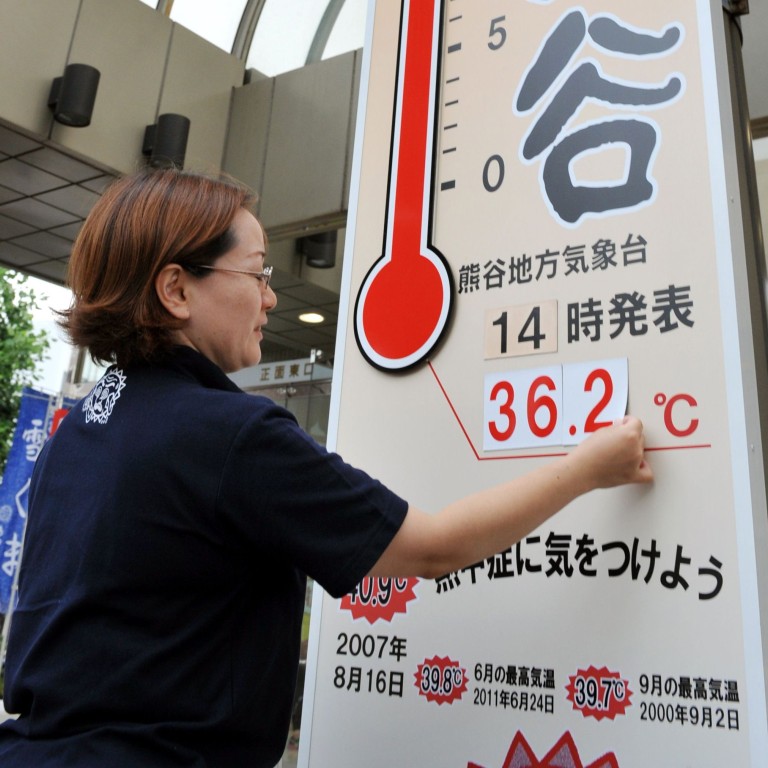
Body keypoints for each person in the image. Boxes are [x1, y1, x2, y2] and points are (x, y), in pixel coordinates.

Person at [0, 168, 652, 767]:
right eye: (256, 274)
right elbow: (434, 548)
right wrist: (588, 469)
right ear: (176, 289)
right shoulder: (228, 434)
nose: (270, 299)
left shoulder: (80, 427)